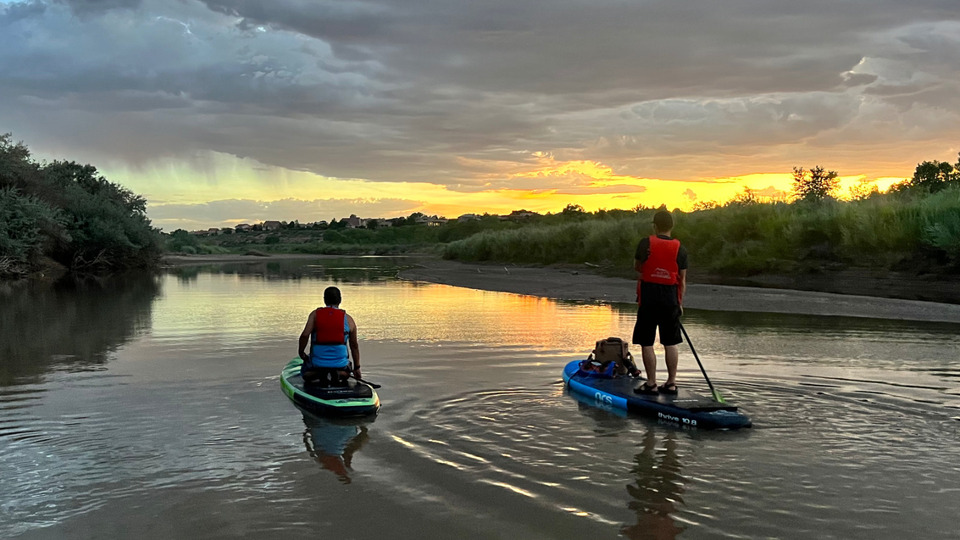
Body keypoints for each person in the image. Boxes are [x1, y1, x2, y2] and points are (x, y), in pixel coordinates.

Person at [632, 210, 687, 395]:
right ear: (672, 226)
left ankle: (651, 384)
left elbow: (637, 267)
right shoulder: (680, 248)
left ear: (655, 226)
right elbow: (682, 280)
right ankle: (671, 383)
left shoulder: (645, 243)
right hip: (670, 299)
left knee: (647, 342)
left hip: (649, 298)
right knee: (670, 342)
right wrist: (679, 303)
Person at [298, 286, 361, 386]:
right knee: (347, 373)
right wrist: (357, 368)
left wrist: (301, 353)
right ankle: (340, 373)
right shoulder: (349, 319)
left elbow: (305, 335)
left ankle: (320, 374)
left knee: (305, 374)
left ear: (324, 300)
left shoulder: (315, 315)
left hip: (317, 363)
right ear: (340, 300)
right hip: (340, 364)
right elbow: (354, 346)